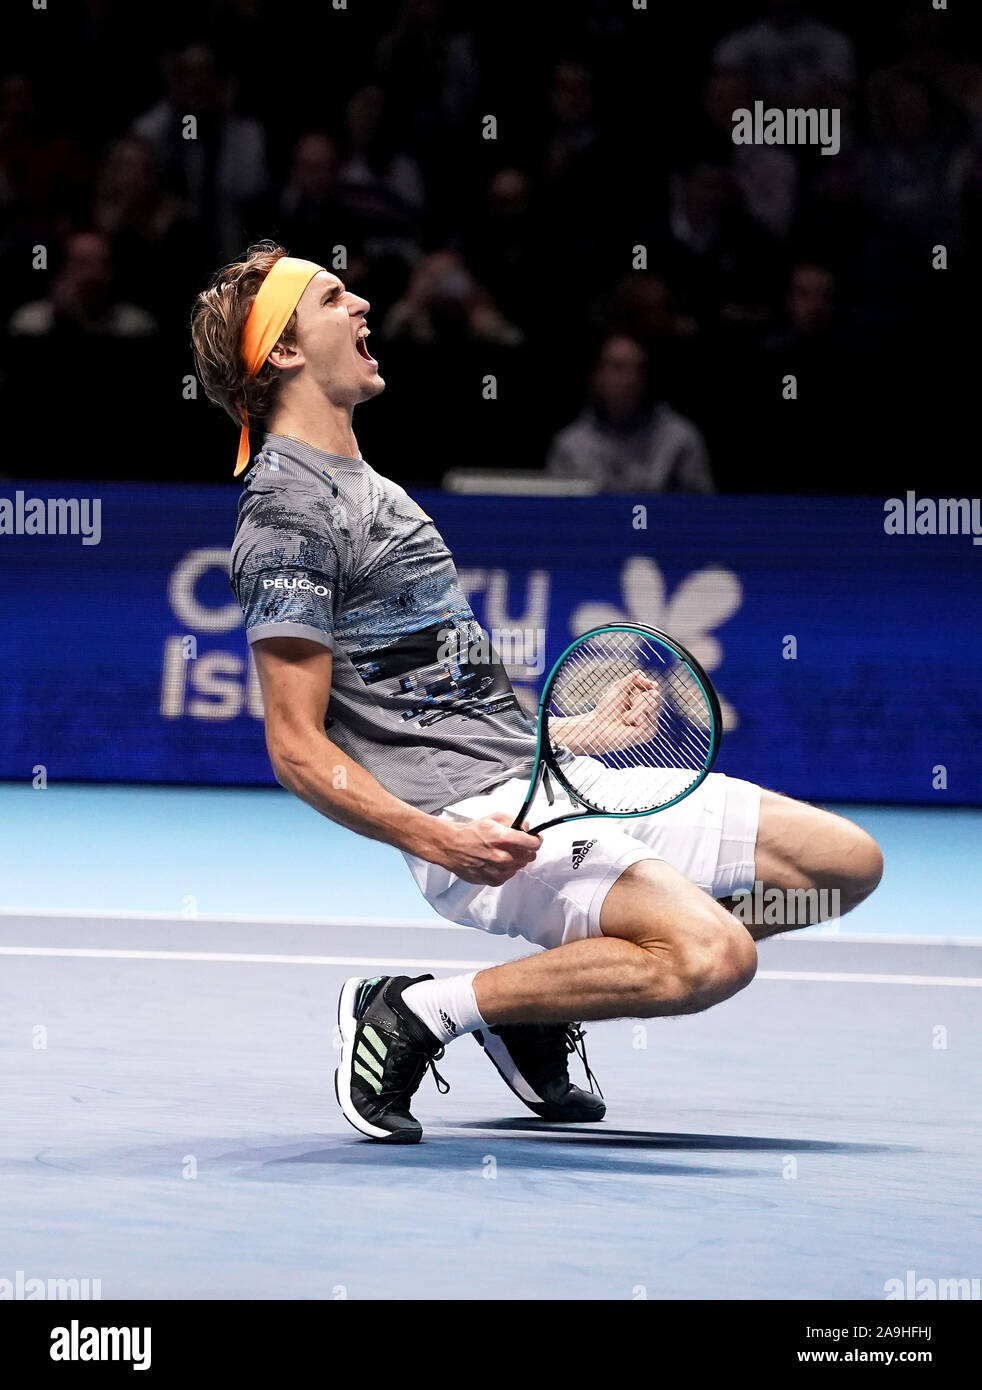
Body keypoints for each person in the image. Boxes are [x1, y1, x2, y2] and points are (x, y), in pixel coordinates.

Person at [190, 242, 883, 1144]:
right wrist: (436, 837)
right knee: (711, 954)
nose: (362, 306)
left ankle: (538, 1009)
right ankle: (418, 1012)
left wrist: (573, 732)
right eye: (333, 298)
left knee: (839, 867)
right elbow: (295, 744)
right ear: (282, 351)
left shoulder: (368, 486)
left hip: (533, 780)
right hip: (473, 820)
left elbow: (431, 693)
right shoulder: (287, 512)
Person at [546, 332, 715, 494]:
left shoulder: (680, 438)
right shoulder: (570, 444)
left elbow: (700, 512)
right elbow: (561, 515)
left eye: (638, 369)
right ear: (597, 374)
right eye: (618, 367)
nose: (630, 379)